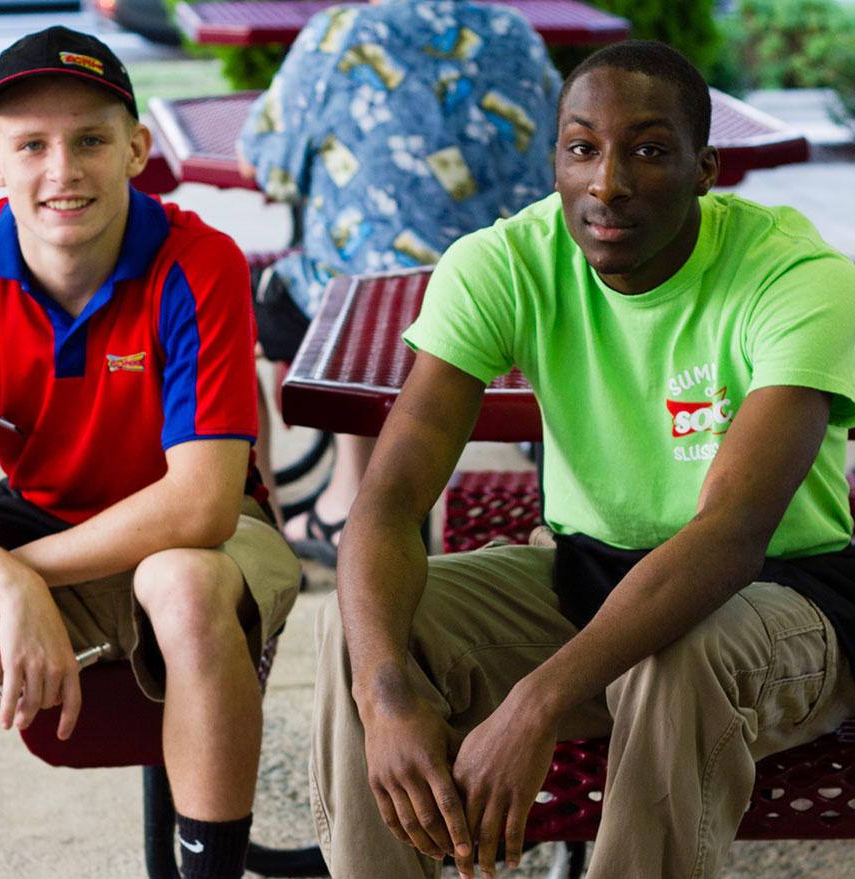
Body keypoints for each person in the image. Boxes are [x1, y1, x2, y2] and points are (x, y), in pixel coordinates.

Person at [313, 40, 855, 879]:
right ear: (557, 160)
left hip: (783, 596)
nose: (608, 183)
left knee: (679, 655)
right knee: (370, 628)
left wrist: (537, 700)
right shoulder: (504, 262)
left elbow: (733, 533)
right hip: (582, 573)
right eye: (582, 148)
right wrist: (384, 698)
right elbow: (386, 499)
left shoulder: (794, 277)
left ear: (705, 167)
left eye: (648, 149)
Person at [0, 26, 301, 879]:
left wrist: (27, 571)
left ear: (135, 149)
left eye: (89, 140)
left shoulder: (200, 263)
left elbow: (199, 502)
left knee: (181, 584)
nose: (62, 170)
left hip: (203, 534)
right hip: (44, 518)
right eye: (31, 145)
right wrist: (3, 579)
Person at [236, 0, 560, 563]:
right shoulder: (516, 31)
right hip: (512, 296)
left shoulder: (340, 33)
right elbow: (559, 151)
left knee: (236, 315)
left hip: (373, 307)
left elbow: (264, 162)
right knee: (372, 273)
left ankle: (311, 517)